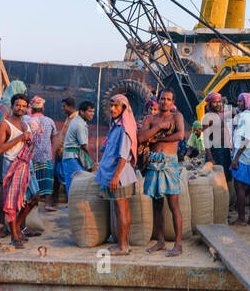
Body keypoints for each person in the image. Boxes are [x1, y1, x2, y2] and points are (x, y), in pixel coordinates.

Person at [141, 89, 187, 256]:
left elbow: (180, 135)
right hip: (153, 163)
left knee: (174, 205)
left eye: (168, 99)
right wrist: (160, 126)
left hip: (169, 163)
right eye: (162, 99)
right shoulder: (150, 119)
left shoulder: (176, 117)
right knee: (157, 205)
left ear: (172, 101)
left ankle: (178, 244)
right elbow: (141, 137)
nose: (165, 102)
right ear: (158, 100)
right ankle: (160, 241)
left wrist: (158, 138)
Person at [95, 94, 139, 255]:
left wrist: (115, 176)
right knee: (123, 210)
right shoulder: (118, 125)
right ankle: (124, 244)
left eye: (116, 106)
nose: (112, 109)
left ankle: (122, 246)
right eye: (111, 105)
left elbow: (123, 155)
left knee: (121, 211)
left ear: (124, 109)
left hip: (120, 175)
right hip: (121, 174)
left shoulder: (124, 128)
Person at [0, 94, 39, 248]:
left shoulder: (26, 124)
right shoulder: (5, 125)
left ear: (27, 108)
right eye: (17, 105)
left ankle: (16, 226)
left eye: (23, 106)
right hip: (12, 165)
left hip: (27, 165)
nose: (20, 108)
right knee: (12, 202)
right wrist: (21, 137)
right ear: (12, 106)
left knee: (34, 196)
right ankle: (15, 235)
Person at [230, 92, 250, 225]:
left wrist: (236, 158)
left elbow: (246, 138)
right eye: (238, 101)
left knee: (239, 186)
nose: (238, 104)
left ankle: (241, 218)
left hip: (244, 156)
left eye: (240, 101)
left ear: (247, 102)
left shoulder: (246, 117)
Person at [26, 97, 58, 212]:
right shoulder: (49, 121)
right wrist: (52, 151)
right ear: (42, 108)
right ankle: (48, 204)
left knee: (31, 180)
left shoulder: (27, 121)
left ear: (32, 108)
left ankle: (31, 205)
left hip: (30, 156)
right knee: (47, 179)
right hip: (46, 155)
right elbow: (54, 137)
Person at [61, 100, 96, 194]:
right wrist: (93, 162)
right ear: (82, 111)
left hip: (73, 156)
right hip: (71, 157)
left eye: (93, 111)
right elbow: (84, 146)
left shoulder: (78, 121)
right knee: (76, 183)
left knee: (75, 182)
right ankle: (73, 206)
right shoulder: (79, 124)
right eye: (89, 111)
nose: (92, 114)